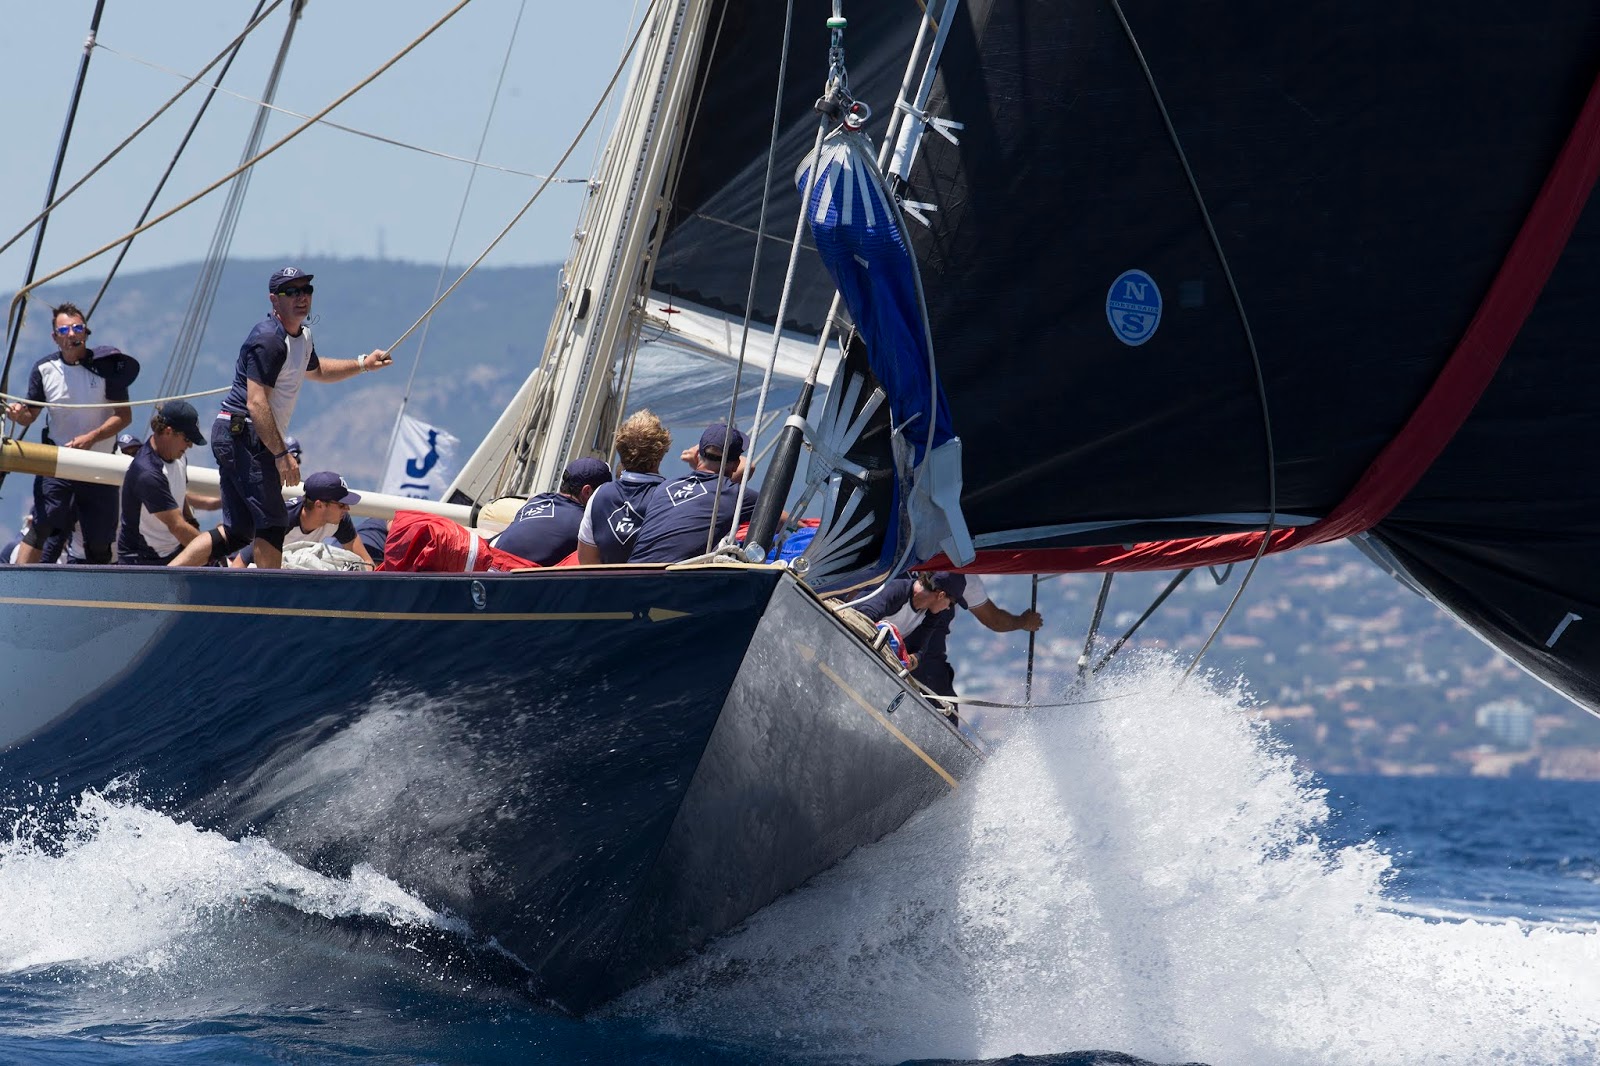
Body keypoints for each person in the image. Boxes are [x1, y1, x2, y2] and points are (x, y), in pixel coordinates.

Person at [211, 266, 392, 570]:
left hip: (245, 434)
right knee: (273, 521)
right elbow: (256, 402)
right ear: (274, 300)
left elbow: (318, 371)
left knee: (239, 531)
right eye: (290, 292)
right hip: (243, 433)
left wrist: (364, 364)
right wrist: (282, 455)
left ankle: (176, 572)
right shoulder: (268, 339)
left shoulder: (302, 336)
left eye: (306, 290)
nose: (301, 297)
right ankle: (270, 598)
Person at [5, 302, 135, 564]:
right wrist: (18, 414)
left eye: (77, 328)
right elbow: (31, 414)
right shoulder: (44, 370)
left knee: (99, 542)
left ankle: (96, 600)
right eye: (64, 330)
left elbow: (124, 416)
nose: (72, 335)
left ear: (86, 333)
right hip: (60, 463)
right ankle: (23, 589)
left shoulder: (107, 367)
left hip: (99, 464)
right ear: (55, 337)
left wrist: (91, 438)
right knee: (44, 524)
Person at [855, 571, 1044, 703]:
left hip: (888, 652)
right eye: (951, 603)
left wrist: (911, 659)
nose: (949, 608)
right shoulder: (898, 590)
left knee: (939, 689)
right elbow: (862, 615)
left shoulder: (933, 613)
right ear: (941, 595)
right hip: (858, 642)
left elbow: (921, 649)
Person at [627, 423, 759, 563]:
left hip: (631, 574)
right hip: (674, 579)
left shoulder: (665, 487)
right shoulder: (735, 495)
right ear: (735, 463)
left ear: (698, 455)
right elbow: (782, 522)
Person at [118, 401, 222, 566]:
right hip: (142, 561)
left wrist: (193, 523)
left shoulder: (178, 456)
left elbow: (179, 496)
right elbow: (178, 527)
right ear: (168, 432)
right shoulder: (148, 473)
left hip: (172, 550)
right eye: (187, 438)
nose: (190, 445)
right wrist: (213, 553)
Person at [577, 409, 671, 564]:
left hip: (608, 587)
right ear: (661, 452)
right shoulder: (670, 496)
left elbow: (587, 561)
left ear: (620, 448)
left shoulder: (599, 495)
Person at [230, 471, 373, 568]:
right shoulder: (280, 521)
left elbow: (367, 563)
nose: (347, 509)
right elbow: (240, 564)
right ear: (319, 505)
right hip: (245, 566)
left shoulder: (340, 520)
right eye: (342, 504)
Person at [494, 457, 614, 566]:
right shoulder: (586, 523)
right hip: (519, 581)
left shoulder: (537, 500)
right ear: (587, 491)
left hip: (491, 571)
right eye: (604, 491)